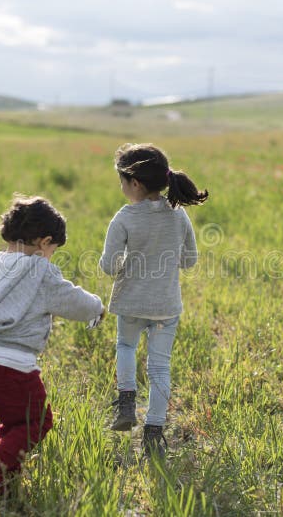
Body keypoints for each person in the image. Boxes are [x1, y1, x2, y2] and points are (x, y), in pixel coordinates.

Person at [0, 195, 105, 493]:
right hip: (15, 370)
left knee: (15, 423)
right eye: (53, 250)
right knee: (37, 422)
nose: (51, 256)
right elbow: (76, 301)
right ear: (44, 242)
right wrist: (98, 308)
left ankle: (4, 483)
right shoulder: (42, 273)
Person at [99, 143, 208, 459]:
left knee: (126, 348)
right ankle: (154, 433)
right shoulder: (178, 214)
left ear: (134, 183)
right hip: (165, 306)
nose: (122, 188)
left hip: (131, 303)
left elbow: (108, 265)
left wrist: (123, 266)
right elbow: (189, 261)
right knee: (160, 367)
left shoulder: (124, 218)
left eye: (122, 181)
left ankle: (127, 402)